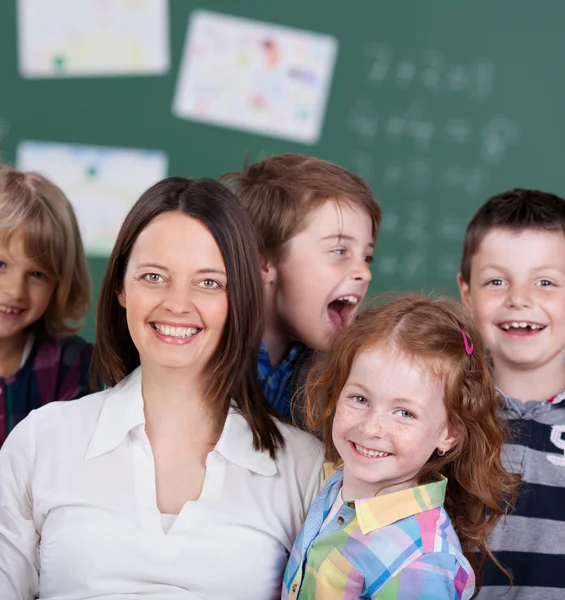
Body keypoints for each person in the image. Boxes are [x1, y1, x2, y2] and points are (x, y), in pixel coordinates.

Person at [0, 177, 324, 599]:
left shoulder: (303, 467)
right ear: (120, 287)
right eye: (154, 276)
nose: (176, 303)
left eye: (209, 282)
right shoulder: (41, 440)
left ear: (241, 298)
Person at [282, 294, 519, 599]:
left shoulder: (424, 562)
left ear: (450, 433)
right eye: (360, 399)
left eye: (405, 413)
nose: (370, 427)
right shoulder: (333, 483)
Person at [457, 188, 565, 599]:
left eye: (545, 282)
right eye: (496, 281)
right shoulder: (444, 405)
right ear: (467, 296)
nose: (519, 299)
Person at [221, 154, 381, 421]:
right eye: (339, 250)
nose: (364, 272)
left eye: (366, 257)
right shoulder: (203, 352)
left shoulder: (344, 380)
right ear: (264, 263)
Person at [0, 164, 92, 447]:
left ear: (59, 284)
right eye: (1, 264)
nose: (15, 291)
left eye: (38, 274)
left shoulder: (71, 365)